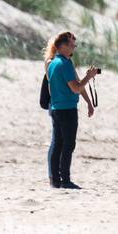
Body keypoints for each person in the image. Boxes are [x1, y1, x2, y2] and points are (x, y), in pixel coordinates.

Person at [43, 30, 97, 190]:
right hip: (67, 109)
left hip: (56, 108)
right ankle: (65, 180)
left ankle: (55, 180)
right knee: (68, 145)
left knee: (57, 143)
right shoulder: (64, 64)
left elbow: (74, 84)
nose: (74, 48)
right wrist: (90, 76)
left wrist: (88, 101)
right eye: (72, 45)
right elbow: (76, 87)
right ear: (63, 46)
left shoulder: (52, 63)